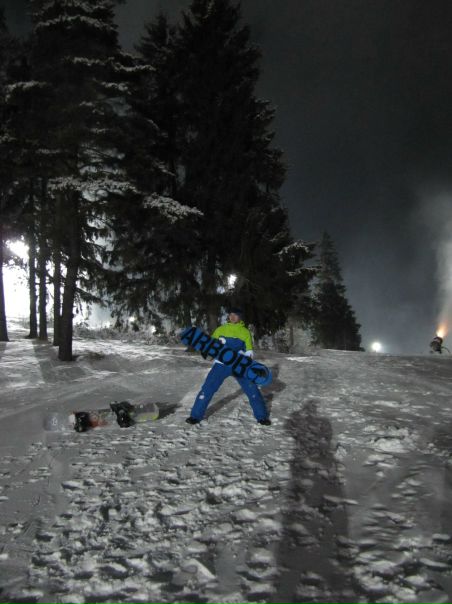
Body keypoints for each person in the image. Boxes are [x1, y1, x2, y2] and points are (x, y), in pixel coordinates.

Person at [186, 307, 271, 425]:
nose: (232, 317)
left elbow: (249, 351)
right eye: (230, 315)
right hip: (221, 365)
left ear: (240, 317)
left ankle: (262, 417)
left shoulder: (245, 332)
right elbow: (211, 346)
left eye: (235, 315)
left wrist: (249, 366)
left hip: (239, 365)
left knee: (252, 389)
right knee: (207, 389)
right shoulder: (220, 329)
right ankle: (195, 416)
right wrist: (207, 351)